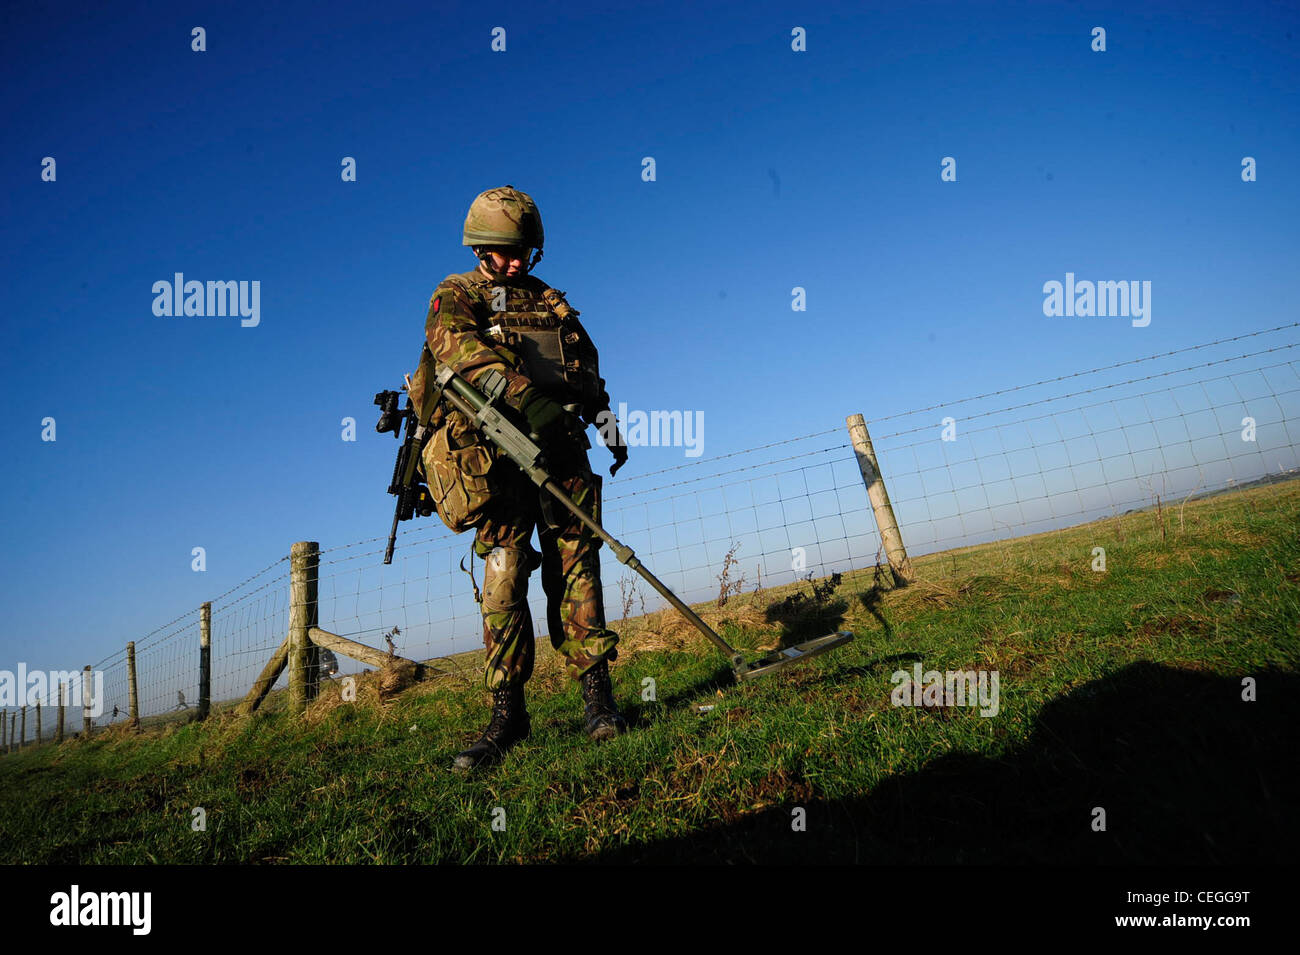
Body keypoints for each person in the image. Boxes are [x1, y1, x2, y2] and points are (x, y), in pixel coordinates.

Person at [408, 185, 631, 772]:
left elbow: (584, 366)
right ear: (479, 247)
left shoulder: (550, 302)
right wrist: (525, 399)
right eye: (501, 253)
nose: (512, 265)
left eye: (522, 254)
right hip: (496, 458)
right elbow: (456, 352)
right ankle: (507, 715)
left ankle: (599, 703)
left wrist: (607, 424)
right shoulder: (455, 294)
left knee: (579, 569)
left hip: (563, 453)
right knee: (503, 580)